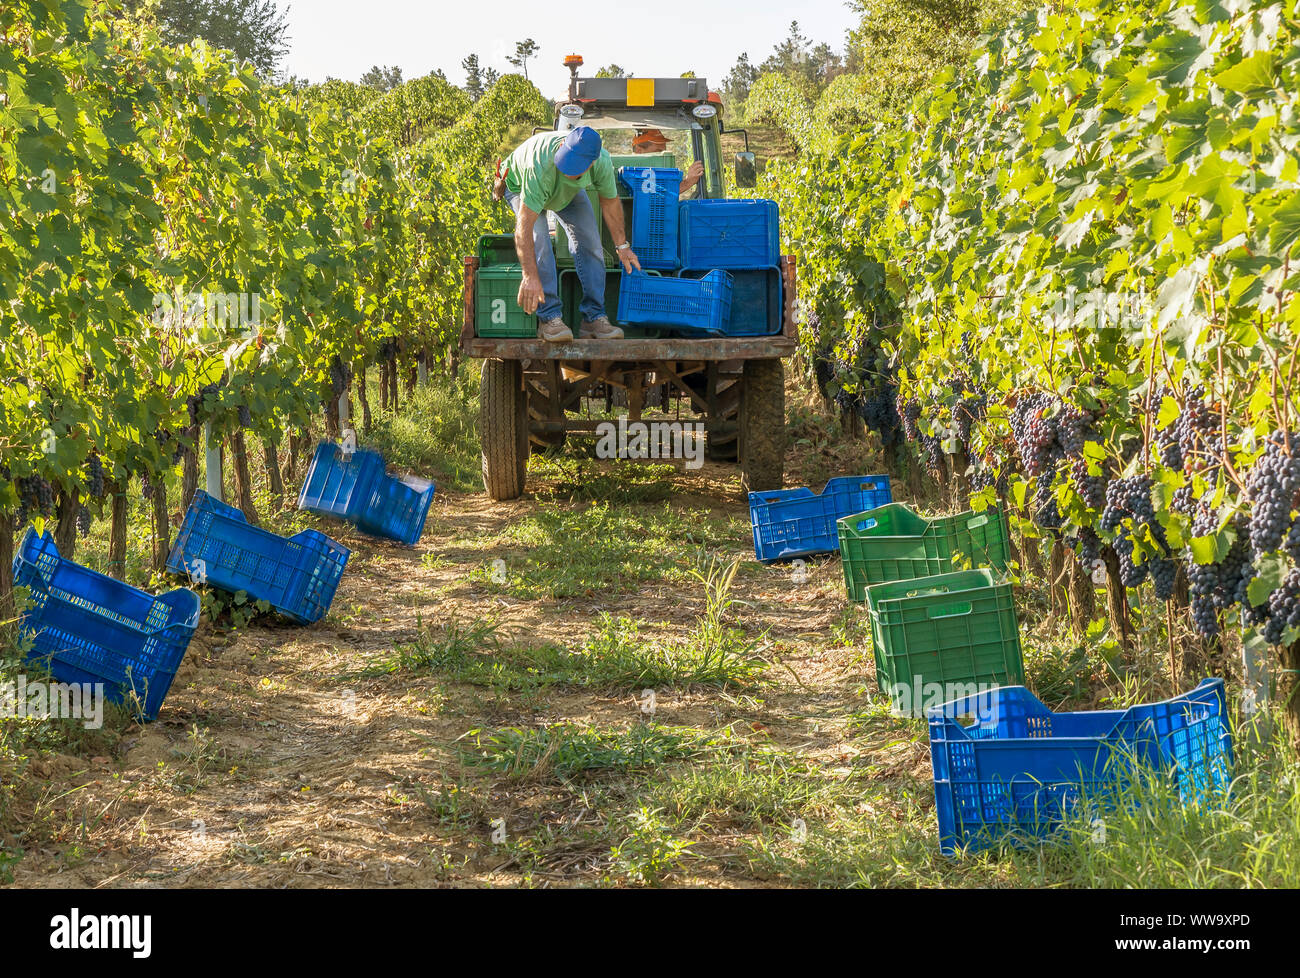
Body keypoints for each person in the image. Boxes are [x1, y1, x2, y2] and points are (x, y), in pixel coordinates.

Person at [498, 126, 639, 342]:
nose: (566, 169)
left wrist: (622, 246)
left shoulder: (601, 162)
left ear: (592, 162)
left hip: (566, 192)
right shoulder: (541, 165)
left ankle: (594, 317)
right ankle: (550, 319)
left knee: (591, 242)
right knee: (541, 243)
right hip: (520, 186)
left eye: (573, 167)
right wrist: (529, 275)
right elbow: (524, 228)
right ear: (564, 146)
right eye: (566, 161)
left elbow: (610, 203)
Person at [631, 127, 705, 199]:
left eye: (664, 152)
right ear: (639, 151)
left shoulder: (657, 174)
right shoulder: (628, 173)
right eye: (658, 151)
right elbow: (650, 197)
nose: (663, 157)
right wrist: (687, 182)